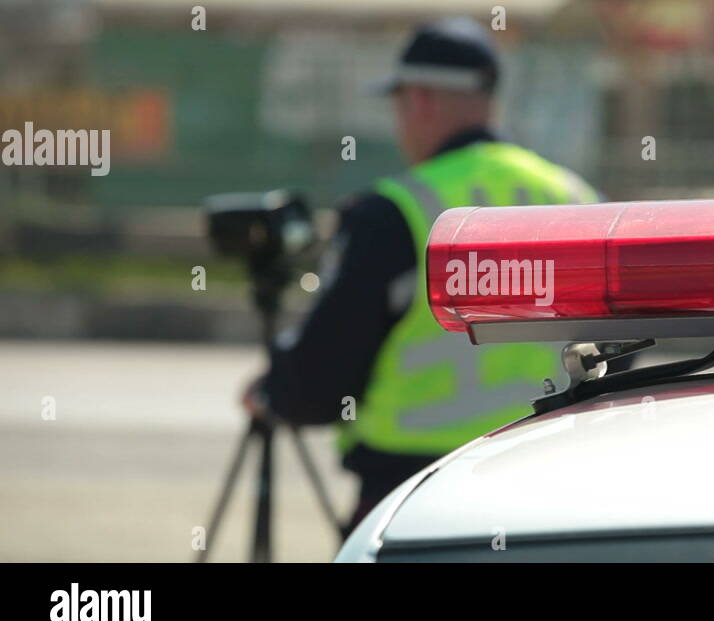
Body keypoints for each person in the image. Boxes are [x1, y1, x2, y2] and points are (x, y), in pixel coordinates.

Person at [243, 16, 600, 535]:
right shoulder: (578, 201)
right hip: (552, 503)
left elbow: (320, 380)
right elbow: (619, 351)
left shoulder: (393, 213)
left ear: (422, 100)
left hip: (412, 504)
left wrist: (274, 391)